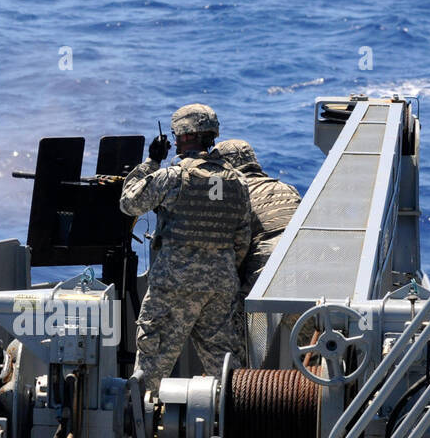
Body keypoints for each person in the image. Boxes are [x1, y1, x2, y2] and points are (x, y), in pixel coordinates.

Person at [119, 103, 251, 395]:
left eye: (177, 135)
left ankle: (138, 429)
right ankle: (235, 429)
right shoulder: (237, 182)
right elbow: (242, 239)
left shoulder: (173, 177)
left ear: (187, 136)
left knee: (149, 370)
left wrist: (151, 162)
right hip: (220, 287)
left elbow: (130, 204)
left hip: (173, 286)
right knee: (228, 371)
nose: (175, 140)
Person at [216, 139, 303, 360]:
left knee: (237, 336)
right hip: (308, 262)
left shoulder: (234, 192)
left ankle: (240, 388)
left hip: (267, 267)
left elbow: (237, 247)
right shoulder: (284, 187)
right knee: (306, 339)